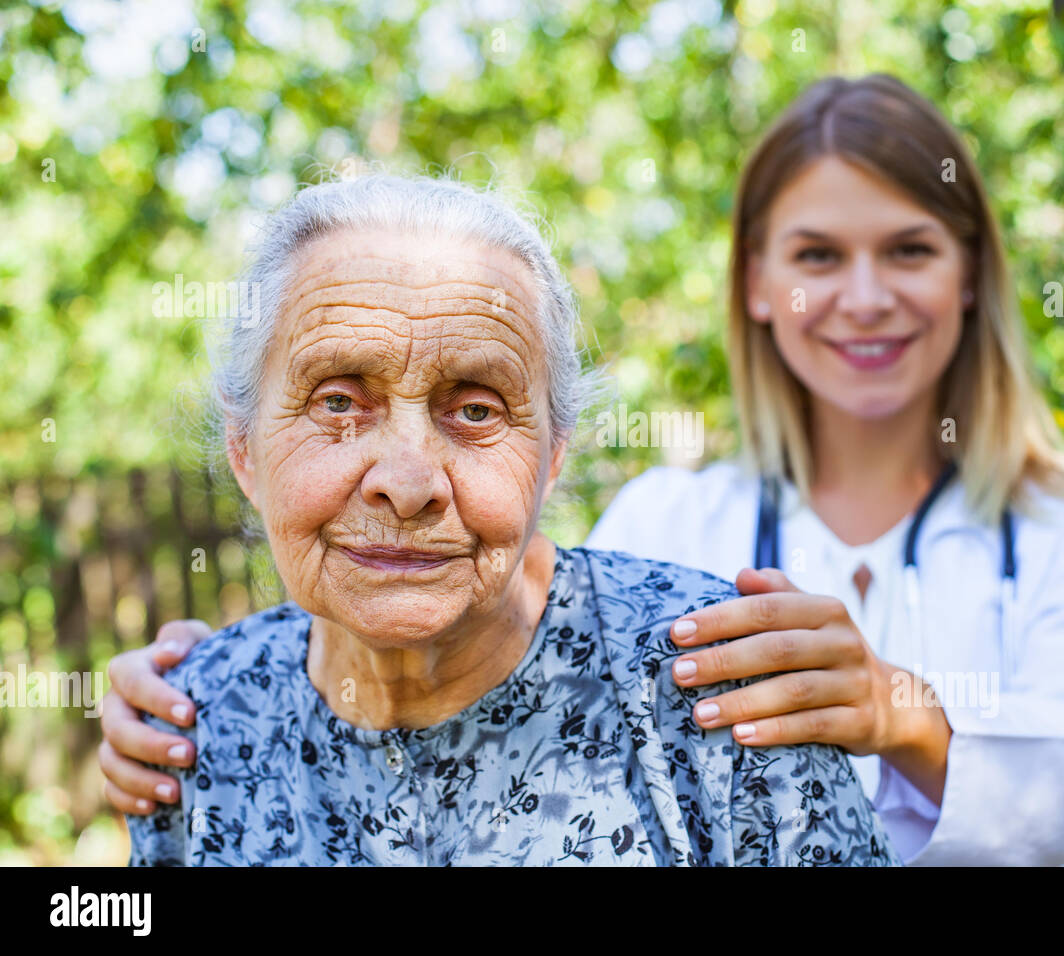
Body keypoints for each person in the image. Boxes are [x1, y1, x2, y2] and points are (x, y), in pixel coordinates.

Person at [107, 74, 1064, 866]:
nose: (863, 296)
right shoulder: (669, 511)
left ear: (971, 273)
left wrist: (899, 713)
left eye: (908, 250)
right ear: (755, 283)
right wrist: (219, 676)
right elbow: (480, 610)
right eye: (816, 256)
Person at [125, 172, 900, 866]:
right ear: (245, 451)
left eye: (474, 408)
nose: (407, 483)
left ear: (554, 453)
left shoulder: (724, 698)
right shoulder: (193, 721)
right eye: (337, 403)